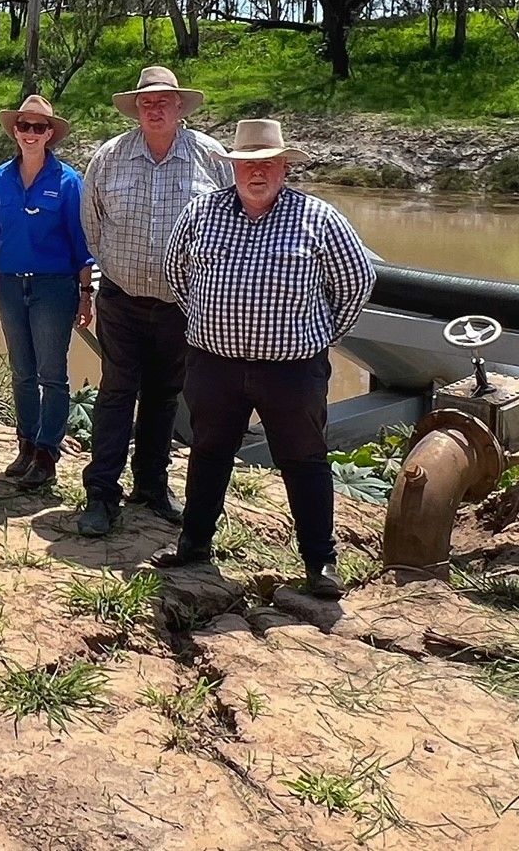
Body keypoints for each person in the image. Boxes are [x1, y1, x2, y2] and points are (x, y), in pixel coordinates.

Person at [154, 118, 376, 600]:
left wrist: (318, 336)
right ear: (234, 167)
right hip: (215, 365)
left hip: (293, 370)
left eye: (268, 163)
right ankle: (194, 544)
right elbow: (176, 276)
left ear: (284, 167)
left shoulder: (320, 219)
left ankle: (320, 561)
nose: (258, 173)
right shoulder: (200, 214)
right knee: (208, 455)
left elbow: (357, 284)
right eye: (248, 164)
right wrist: (208, 323)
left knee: (305, 461)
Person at [75, 66, 231, 538]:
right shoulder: (108, 157)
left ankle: (151, 486)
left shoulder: (213, 159)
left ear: (180, 106)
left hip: (183, 305)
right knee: (116, 394)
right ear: (136, 109)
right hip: (121, 300)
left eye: (164, 100)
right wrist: (115, 275)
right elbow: (93, 226)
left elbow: (231, 222)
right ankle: (101, 494)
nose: (155, 108)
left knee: (165, 397)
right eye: (147, 101)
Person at [0, 95, 94, 490]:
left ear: (50, 134)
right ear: (15, 130)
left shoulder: (69, 181)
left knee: (52, 374)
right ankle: (26, 445)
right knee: (21, 372)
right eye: (24, 126)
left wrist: (86, 291)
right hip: (10, 283)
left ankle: (48, 455)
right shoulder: (0, 177)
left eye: (39, 127)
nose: (31, 134)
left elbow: (82, 242)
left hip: (54, 286)